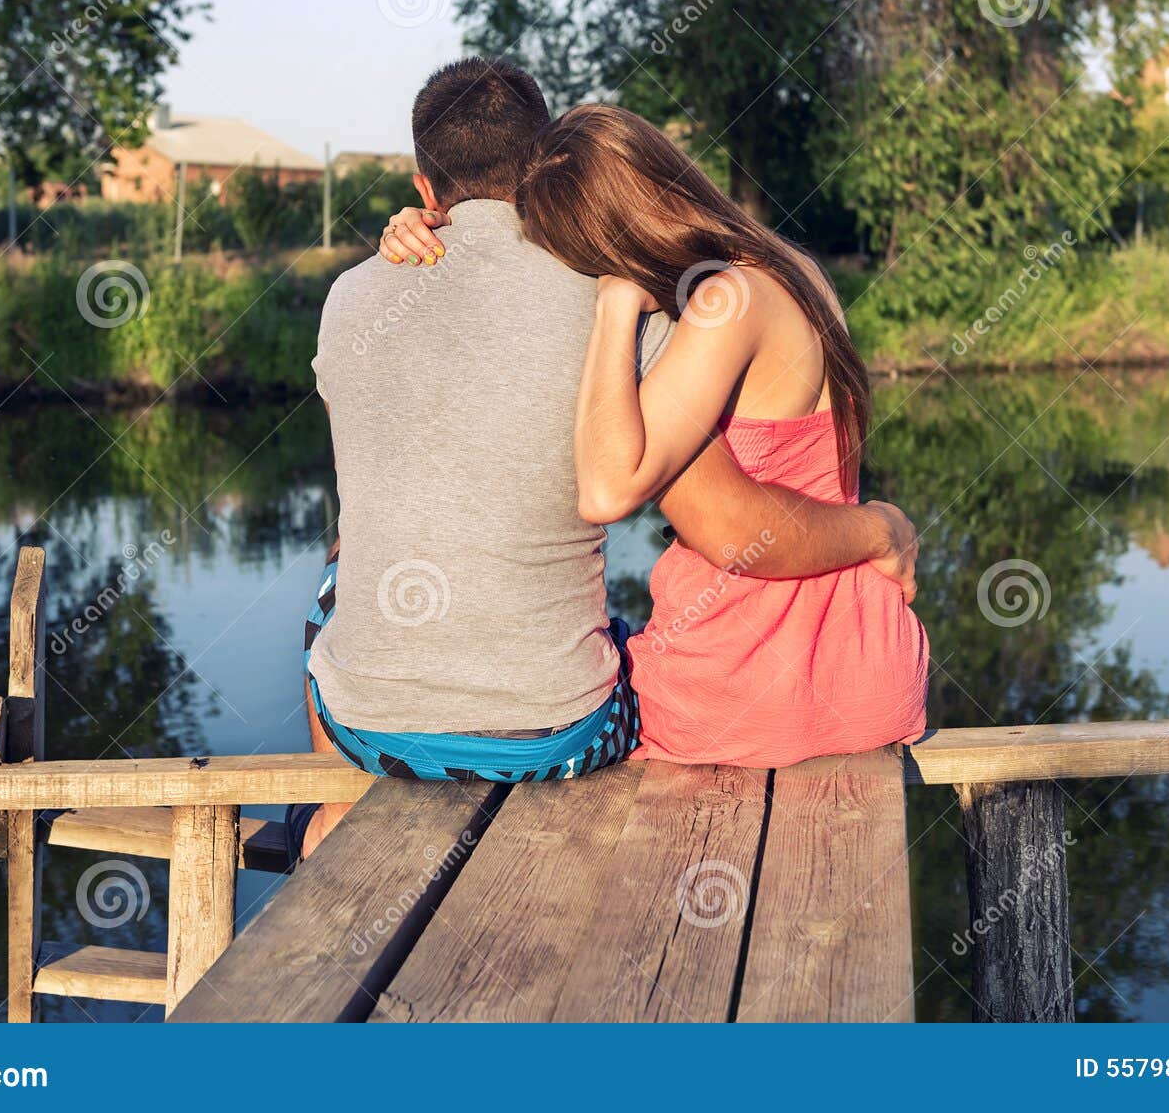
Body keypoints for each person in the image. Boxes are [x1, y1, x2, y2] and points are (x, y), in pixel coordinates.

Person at [295, 59, 919, 858]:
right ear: (539, 177)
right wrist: (878, 528)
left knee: (337, 573)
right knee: (593, 646)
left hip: (369, 728)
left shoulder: (351, 295)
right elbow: (694, 509)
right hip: (563, 738)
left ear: (425, 190)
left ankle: (333, 819)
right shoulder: (657, 296)